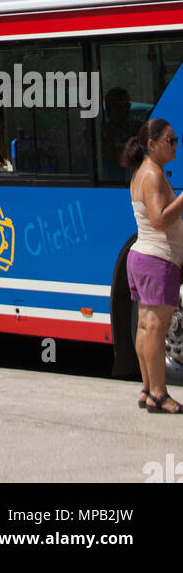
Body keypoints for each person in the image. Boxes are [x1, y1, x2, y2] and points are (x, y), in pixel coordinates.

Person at [122, 120, 183, 413]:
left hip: (142, 257)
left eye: (175, 139)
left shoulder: (141, 173)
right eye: (170, 140)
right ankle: (159, 394)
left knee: (146, 327)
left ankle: (148, 389)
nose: (175, 144)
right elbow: (159, 220)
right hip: (158, 259)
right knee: (156, 329)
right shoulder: (153, 175)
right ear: (152, 144)